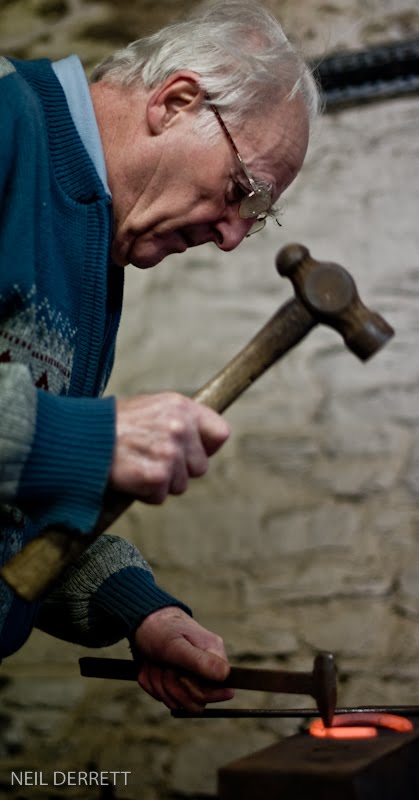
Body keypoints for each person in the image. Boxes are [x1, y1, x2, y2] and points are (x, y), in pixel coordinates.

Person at [0, 0, 319, 711]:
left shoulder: (95, 246)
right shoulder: (4, 120)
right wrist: (87, 437)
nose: (235, 237)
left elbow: (14, 506)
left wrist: (138, 610)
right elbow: (50, 443)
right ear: (175, 102)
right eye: (243, 191)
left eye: (258, 215)